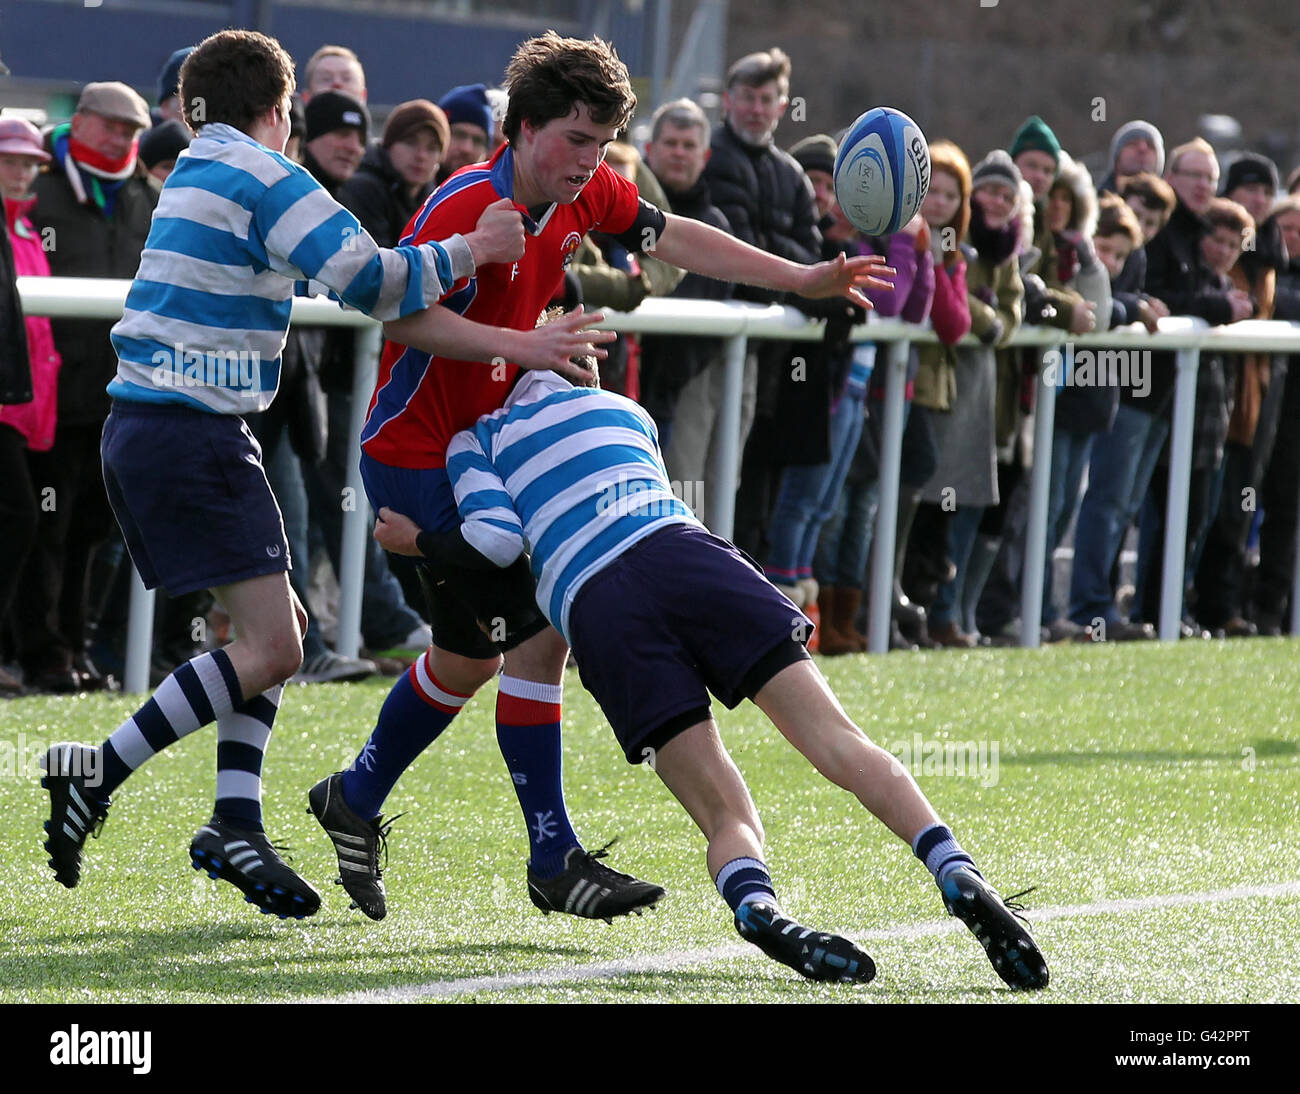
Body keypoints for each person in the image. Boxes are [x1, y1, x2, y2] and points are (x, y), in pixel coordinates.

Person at [310, 31, 894, 926]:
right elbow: (404, 314)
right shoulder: (467, 204)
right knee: (537, 635)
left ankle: (356, 796)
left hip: (490, 448)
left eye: (601, 144)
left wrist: (799, 279)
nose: (590, 162)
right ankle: (551, 858)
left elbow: (679, 238)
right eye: (575, 141)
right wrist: (527, 345)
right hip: (420, 455)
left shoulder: (584, 191)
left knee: (469, 659)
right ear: (524, 126)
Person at [369, 345, 1049, 992]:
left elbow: (493, 541)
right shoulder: (623, 410)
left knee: (726, 806)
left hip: (599, 607)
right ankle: (953, 866)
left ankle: (758, 906)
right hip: (685, 554)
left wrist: (418, 540)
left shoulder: (474, 439)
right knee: (841, 742)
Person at [38, 27, 526, 918]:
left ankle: (233, 820)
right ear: (280, 111)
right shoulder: (267, 173)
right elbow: (370, 283)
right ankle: (95, 774)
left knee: (263, 629)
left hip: (150, 428)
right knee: (277, 649)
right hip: (193, 432)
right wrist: (475, 252)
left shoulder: (194, 167)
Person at [18, 82, 156, 694]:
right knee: (45, 524)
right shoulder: (39, 189)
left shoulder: (143, 199)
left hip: (116, 398)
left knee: (93, 533)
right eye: (110, 127)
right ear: (78, 122)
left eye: (131, 131)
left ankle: (74, 645)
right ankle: (42, 652)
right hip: (47, 395)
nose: (122, 140)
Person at [0, 117, 60, 695]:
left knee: (30, 524)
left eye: (29, 164)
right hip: (7, 409)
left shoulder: (27, 232)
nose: (21, 173)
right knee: (16, 519)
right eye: (10, 160)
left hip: (27, 409)